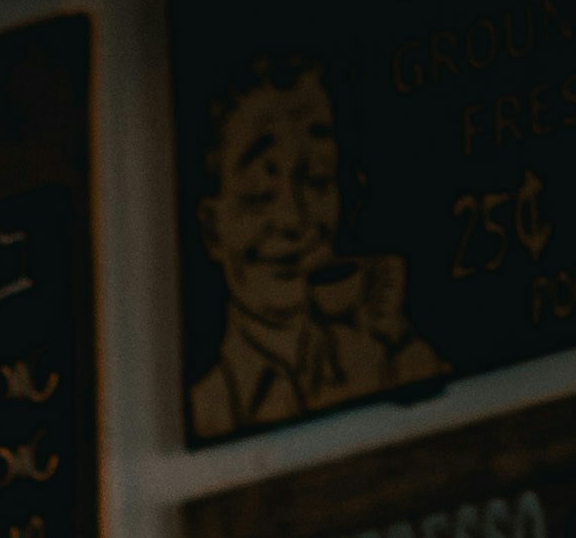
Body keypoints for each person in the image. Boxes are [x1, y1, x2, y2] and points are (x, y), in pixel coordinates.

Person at [189, 56, 445, 440]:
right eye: (260, 192)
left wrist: (399, 341)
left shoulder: (387, 359)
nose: (294, 220)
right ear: (212, 226)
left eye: (318, 178)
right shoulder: (206, 405)